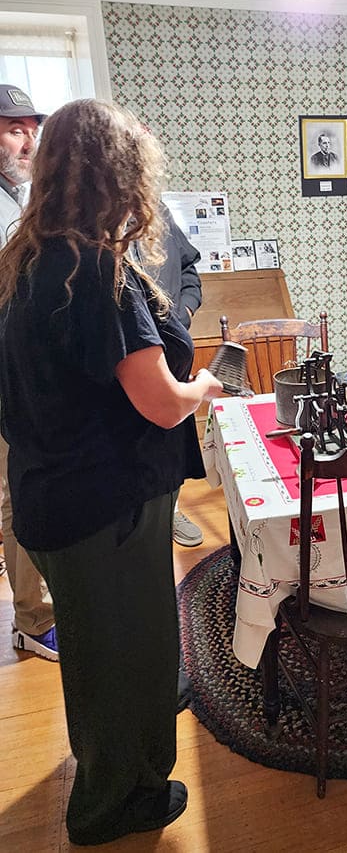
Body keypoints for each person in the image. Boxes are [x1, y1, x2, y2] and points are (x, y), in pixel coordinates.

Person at [0, 98, 223, 845]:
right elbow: (160, 404)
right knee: (116, 655)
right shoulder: (99, 272)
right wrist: (205, 388)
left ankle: (116, 762)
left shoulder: (25, 262)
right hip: (103, 507)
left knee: (102, 650)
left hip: (53, 499)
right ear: (114, 174)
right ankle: (107, 806)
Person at [0, 83, 57, 661]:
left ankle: (44, 601)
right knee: (17, 492)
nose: (27, 141)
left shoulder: (21, 197)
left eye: (31, 130)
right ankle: (33, 618)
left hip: (28, 376)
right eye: (14, 129)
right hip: (7, 382)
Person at [131, 202, 205, 547]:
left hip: (172, 357)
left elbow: (189, 268)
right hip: (129, 362)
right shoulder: (94, 224)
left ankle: (171, 511)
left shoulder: (157, 211)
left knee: (172, 444)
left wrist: (185, 311)